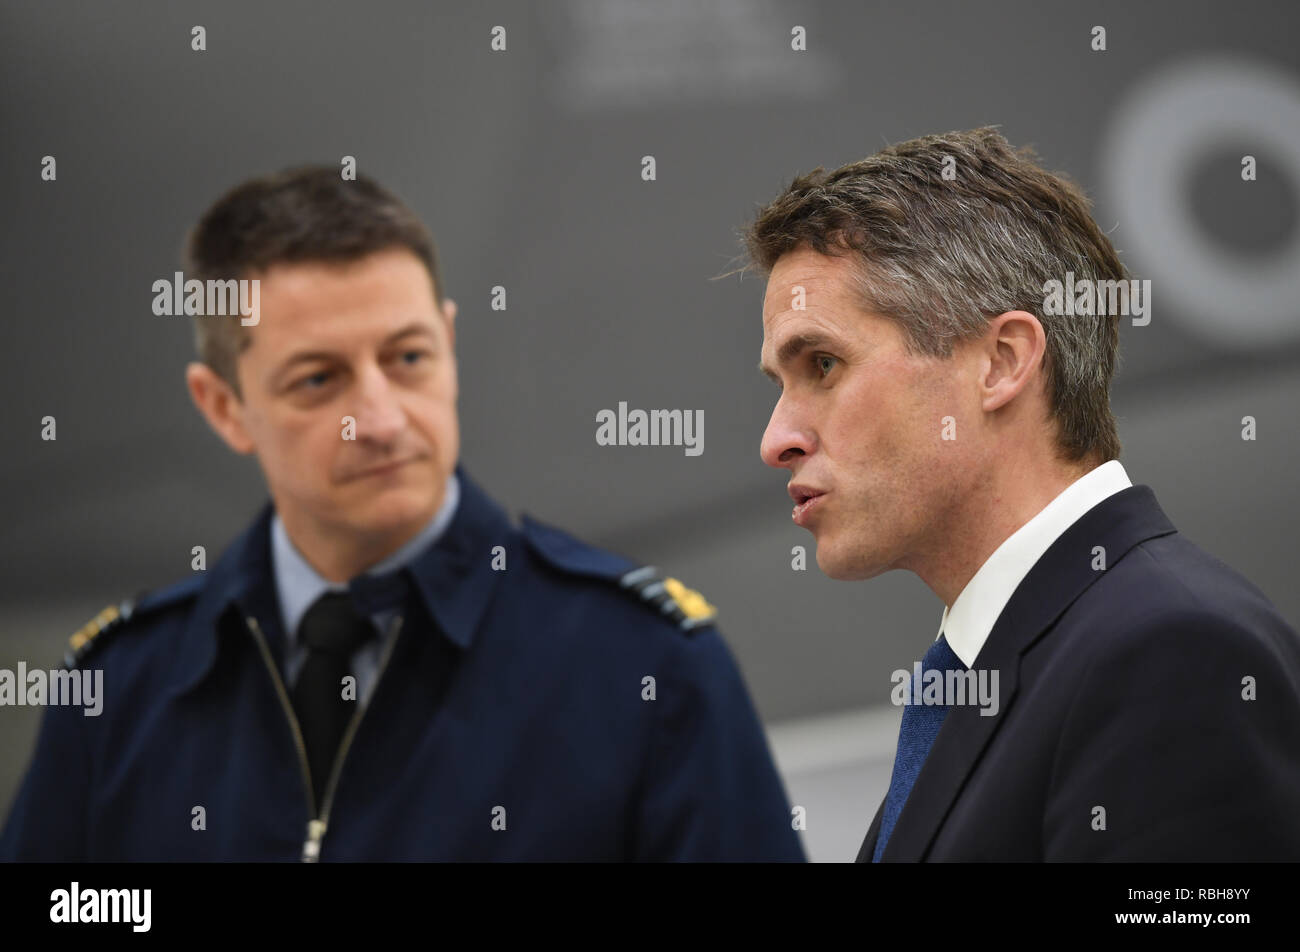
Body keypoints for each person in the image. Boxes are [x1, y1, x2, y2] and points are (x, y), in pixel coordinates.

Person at [0, 166, 804, 862]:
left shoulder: (647, 669)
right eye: (318, 380)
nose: (381, 419)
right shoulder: (119, 689)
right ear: (224, 407)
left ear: (449, 346)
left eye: (408, 358)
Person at [744, 127, 1300, 861]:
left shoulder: (1172, 653)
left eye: (823, 363)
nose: (775, 438)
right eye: (781, 384)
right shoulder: (1019, 658)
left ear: (1001, 363)